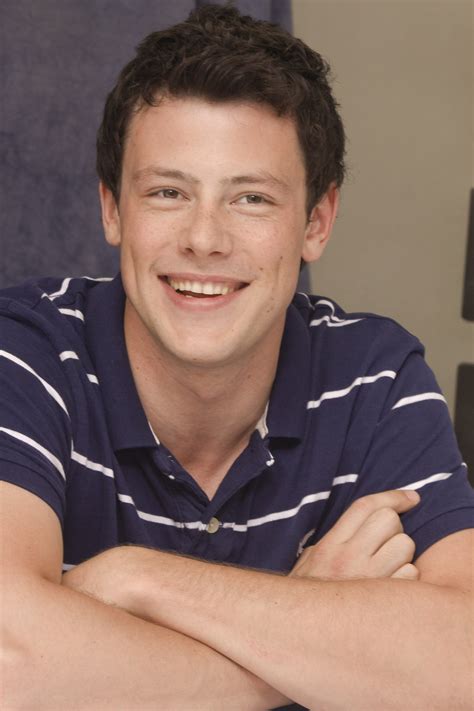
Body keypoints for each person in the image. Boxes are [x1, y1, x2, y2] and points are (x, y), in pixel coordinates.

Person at [1, 4, 473, 710]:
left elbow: (462, 660)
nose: (204, 238)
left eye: (251, 198)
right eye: (168, 192)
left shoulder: (375, 377)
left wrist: (137, 579)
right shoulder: (25, 353)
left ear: (316, 222)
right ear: (112, 209)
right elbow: (10, 658)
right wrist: (308, 625)